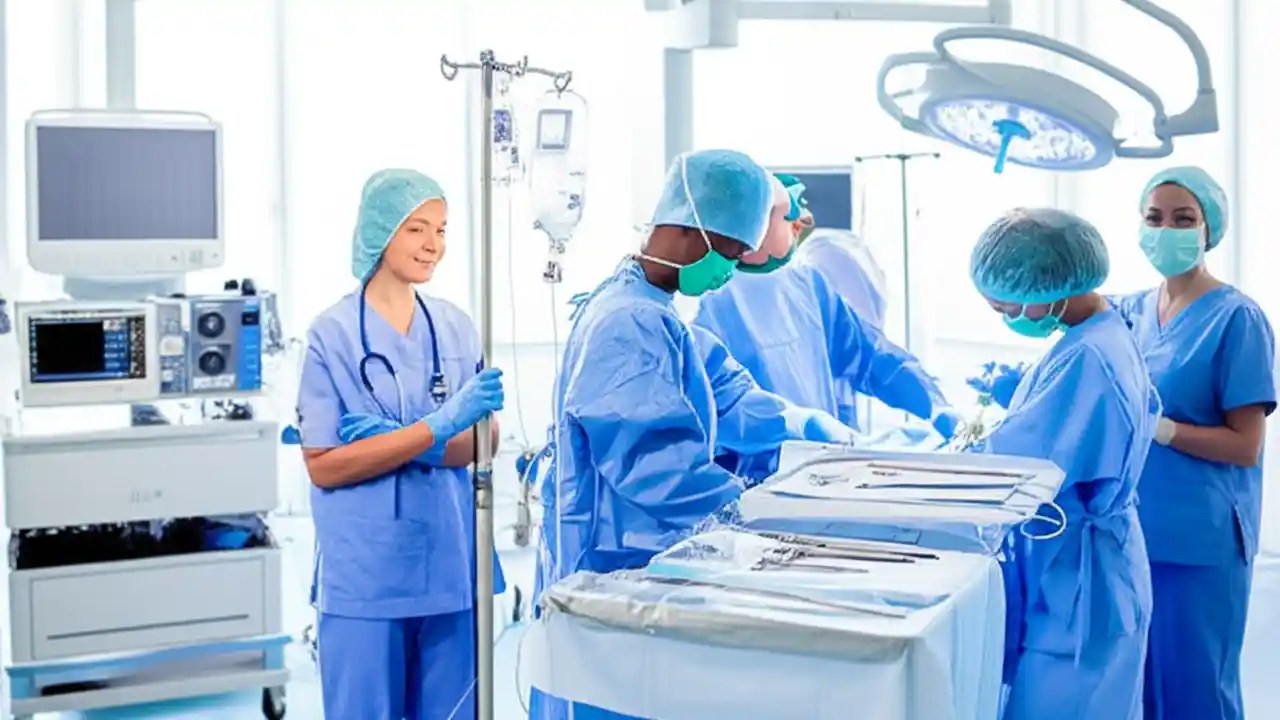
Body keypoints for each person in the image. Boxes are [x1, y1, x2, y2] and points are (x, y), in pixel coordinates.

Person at [530, 149, 855, 720]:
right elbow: (659, 469)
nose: (728, 270)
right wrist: (760, 514)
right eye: (727, 253)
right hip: (615, 571)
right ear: (685, 228)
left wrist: (797, 422)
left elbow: (724, 391)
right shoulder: (626, 321)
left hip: (639, 563)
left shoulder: (652, 306)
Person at [296, 169, 507, 720]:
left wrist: (402, 439)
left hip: (449, 564)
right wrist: (439, 430)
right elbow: (325, 466)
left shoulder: (456, 328)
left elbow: (486, 442)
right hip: (366, 575)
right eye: (416, 229)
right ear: (380, 231)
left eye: (440, 229)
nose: (433, 245)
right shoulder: (332, 335)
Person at [971, 208, 1157, 720]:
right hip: (1094, 575)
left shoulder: (1088, 358)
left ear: (1048, 285)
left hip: (1082, 591)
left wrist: (949, 467)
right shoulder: (1099, 333)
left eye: (1006, 304)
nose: (1006, 315)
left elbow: (1013, 467)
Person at [1109, 166, 1275, 720]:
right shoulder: (1131, 311)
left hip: (1202, 541)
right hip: (1139, 531)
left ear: (1208, 229)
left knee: (1198, 689)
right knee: (1147, 688)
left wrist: (1165, 429)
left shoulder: (1238, 318)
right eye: (1154, 217)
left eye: (1184, 218)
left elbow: (1245, 444)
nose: (1166, 229)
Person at [691, 173, 961, 476]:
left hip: (821, 469)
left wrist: (932, 403)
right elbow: (709, 409)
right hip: (748, 479)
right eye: (788, 218)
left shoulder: (805, 283)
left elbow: (870, 356)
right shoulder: (705, 301)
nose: (800, 224)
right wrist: (792, 425)